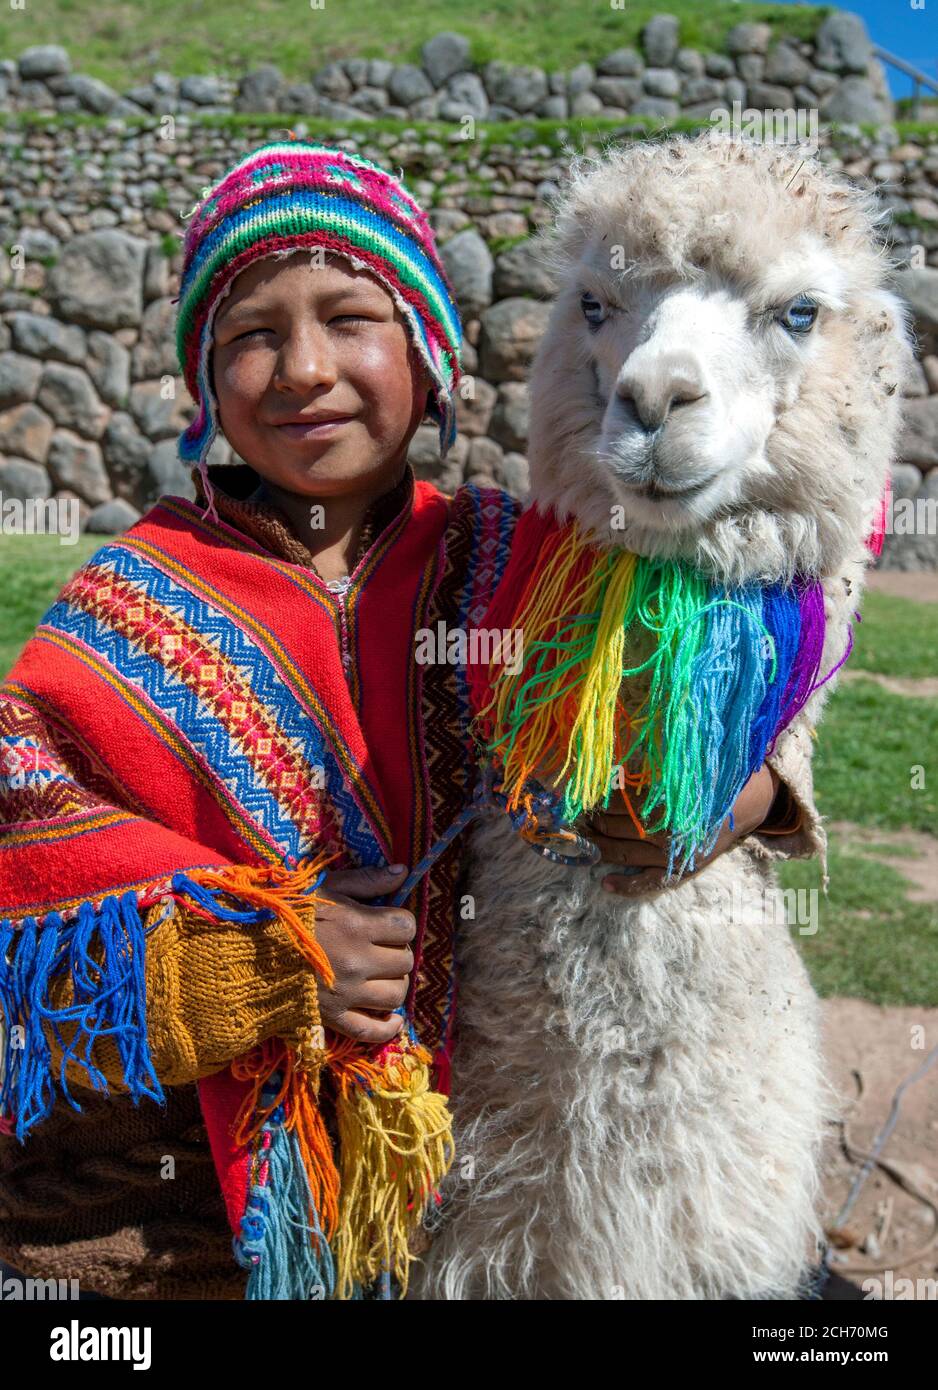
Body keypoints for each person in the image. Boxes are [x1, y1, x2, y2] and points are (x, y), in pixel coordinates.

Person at [0, 139, 816, 1301]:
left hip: (485, 1169)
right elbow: (28, 851)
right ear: (201, 378)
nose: (302, 368)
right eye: (249, 335)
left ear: (429, 355)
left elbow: (738, 641)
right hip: (191, 1198)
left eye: (350, 318)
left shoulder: (523, 563)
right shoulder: (126, 607)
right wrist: (258, 956)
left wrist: (750, 791)